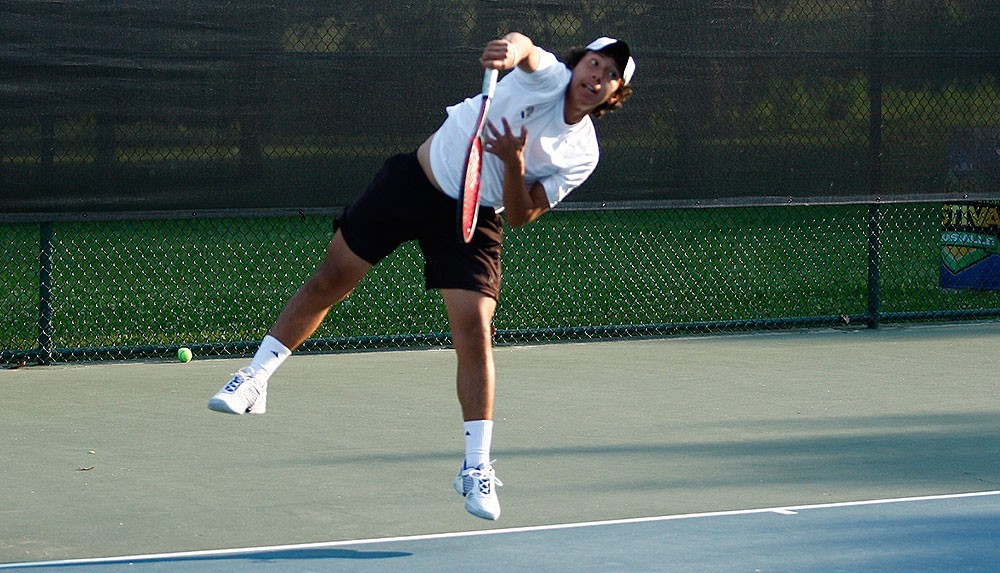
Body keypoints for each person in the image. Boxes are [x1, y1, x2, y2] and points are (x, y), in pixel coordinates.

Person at [208, 32, 635, 521]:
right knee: (331, 280)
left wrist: (514, 165)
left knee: (475, 331)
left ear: (614, 94)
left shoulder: (582, 154)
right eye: (594, 64)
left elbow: (522, 215)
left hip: (474, 216)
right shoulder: (547, 78)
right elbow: (526, 47)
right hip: (416, 181)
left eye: (609, 76)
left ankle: (475, 467)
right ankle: (255, 378)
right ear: (578, 64)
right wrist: (509, 50)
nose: (597, 76)